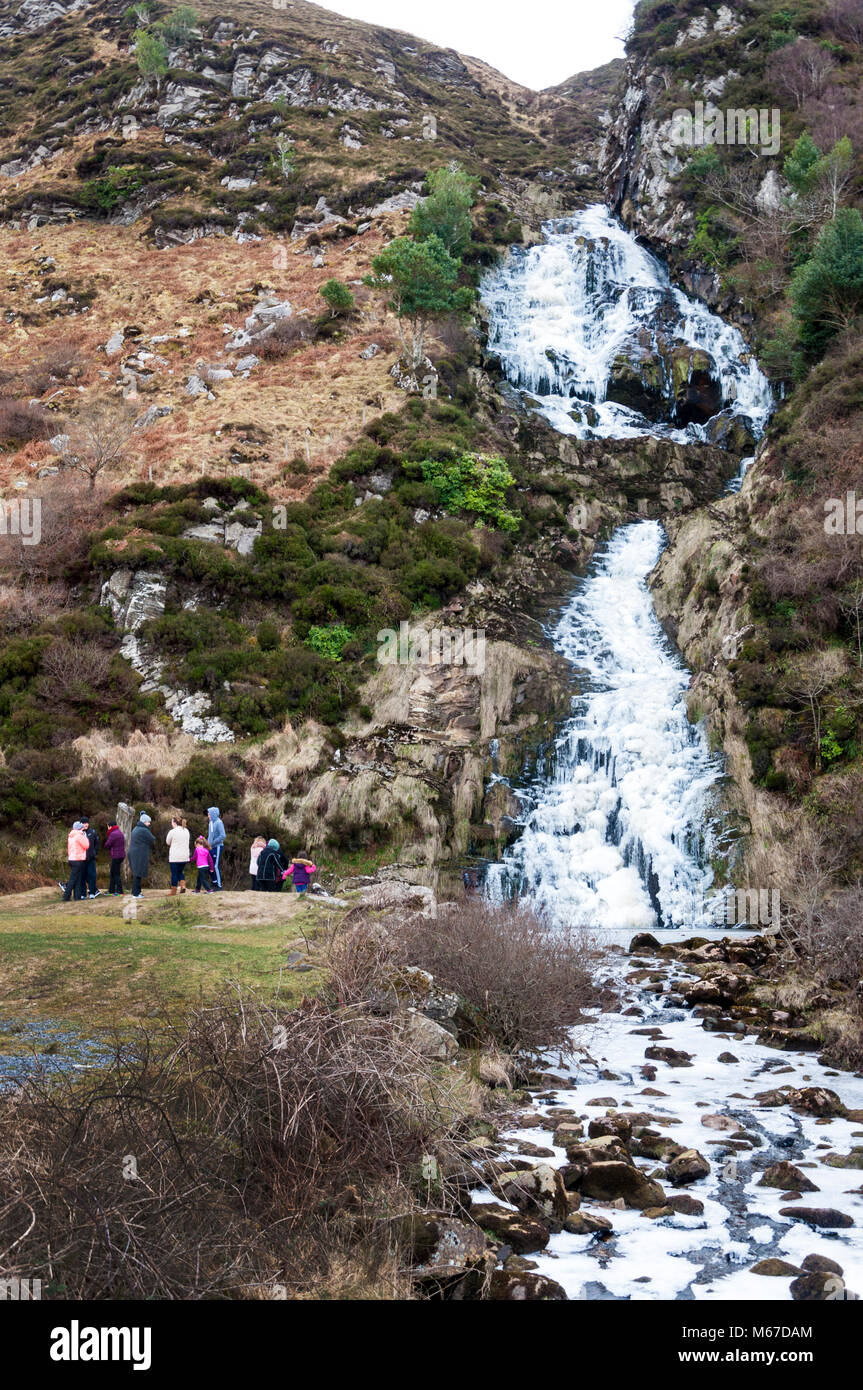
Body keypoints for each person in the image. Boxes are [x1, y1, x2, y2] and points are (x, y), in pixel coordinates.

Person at [128, 812, 156, 899]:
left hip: (134, 854)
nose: (149, 823)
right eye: (148, 822)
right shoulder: (144, 830)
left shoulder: (136, 828)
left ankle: (136, 891)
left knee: (137, 873)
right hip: (139, 855)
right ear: (144, 822)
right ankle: (136, 894)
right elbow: (152, 839)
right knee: (138, 874)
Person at [61, 820, 89, 902]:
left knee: (77, 878)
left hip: (72, 859)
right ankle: (66, 896)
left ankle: (77, 896)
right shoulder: (79, 835)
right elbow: (86, 845)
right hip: (78, 859)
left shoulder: (71, 835)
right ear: (79, 828)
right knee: (73, 879)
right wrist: (84, 836)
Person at [166, 815, 190, 895]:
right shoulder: (186, 830)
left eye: (172, 822)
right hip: (185, 856)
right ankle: (183, 886)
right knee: (180, 872)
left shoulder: (172, 831)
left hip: (175, 857)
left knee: (174, 874)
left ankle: (173, 891)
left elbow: (168, 842)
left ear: (175, 822)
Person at [81, 817, 101, 898]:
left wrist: (95, 853)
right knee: (82, 876)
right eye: (84, 823)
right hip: (82, 858)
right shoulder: (79, 833)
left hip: (91, 858)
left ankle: (92, 892)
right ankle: (83, 893)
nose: (85, 824)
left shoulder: (92, 832)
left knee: (92, 876)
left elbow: (97, 843)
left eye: (87, 823)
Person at [104, 821, 126, 897]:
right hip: (120, 855)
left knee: (116, 874)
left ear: (110, 826)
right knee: (113, 873)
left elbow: (107, 844)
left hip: (116, 856)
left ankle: (120, 891)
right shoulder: (119, 832)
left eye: (108, 826)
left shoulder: (113, 834)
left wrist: (105, 845)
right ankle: (111, 890)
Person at [207, 806, 226, 890]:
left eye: (209, 813)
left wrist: (213, 843)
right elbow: (210, 836)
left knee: (215, 866)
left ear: (213, 814)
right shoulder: (210, 823)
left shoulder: (219, 822)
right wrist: (207, 844)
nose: (208, 815)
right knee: (209, 865)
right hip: (210, 847)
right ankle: (214, 882)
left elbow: (223, 835)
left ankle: (219, 885)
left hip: (217, 847)